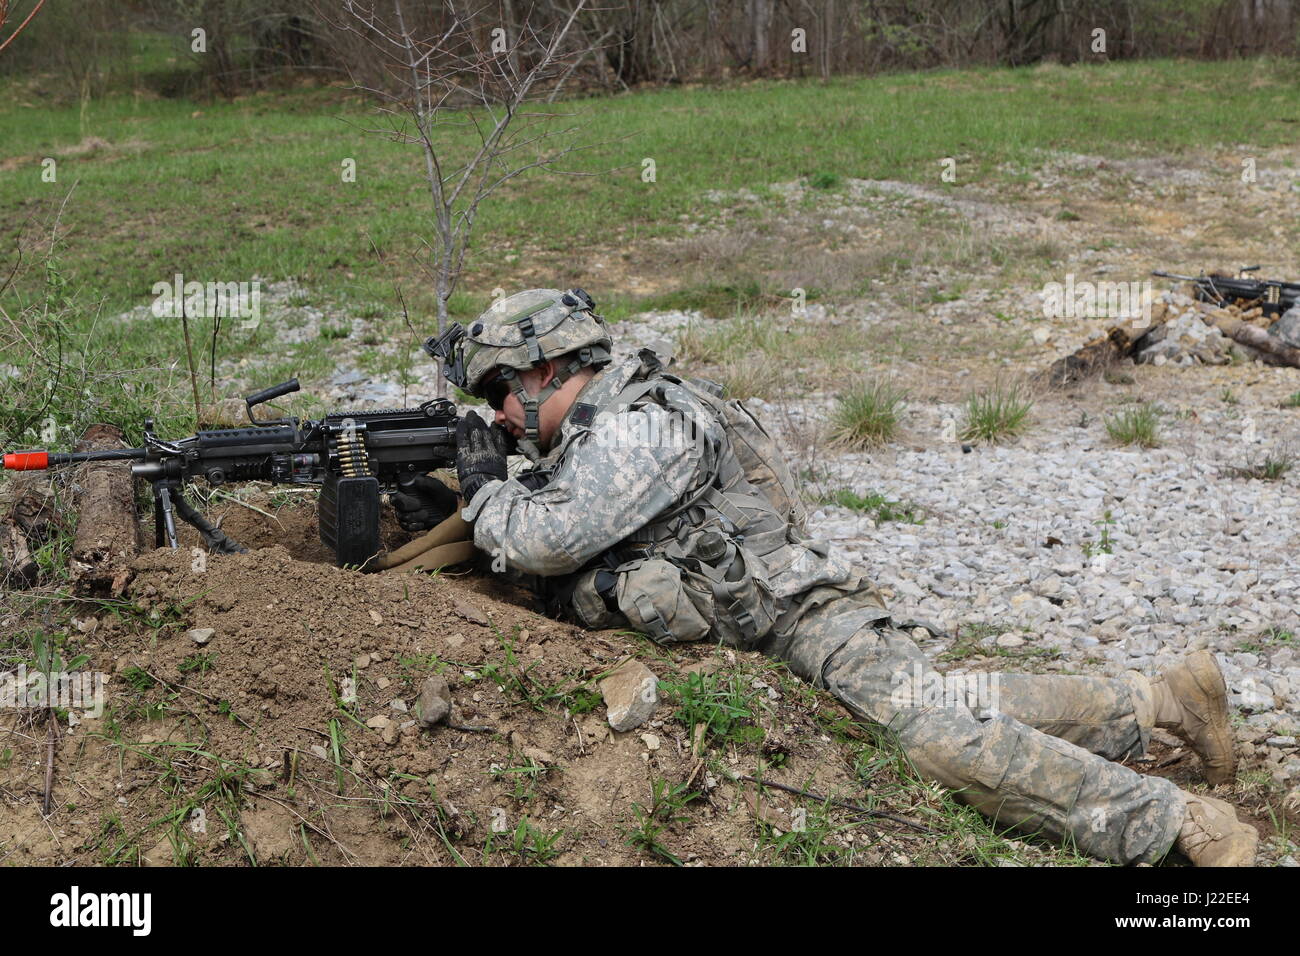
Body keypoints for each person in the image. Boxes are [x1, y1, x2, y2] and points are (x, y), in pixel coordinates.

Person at [397, 286, 1258, 867]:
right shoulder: (600, 422)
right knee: (952, 701)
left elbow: (547, 539)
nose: (501, 415)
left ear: (544, 369)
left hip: (804, 616)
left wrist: (484, 492)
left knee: (930, 736)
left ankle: (1177, 828)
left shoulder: (640, 426)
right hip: (774, 618)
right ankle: (1158, 701)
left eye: (501, 394)